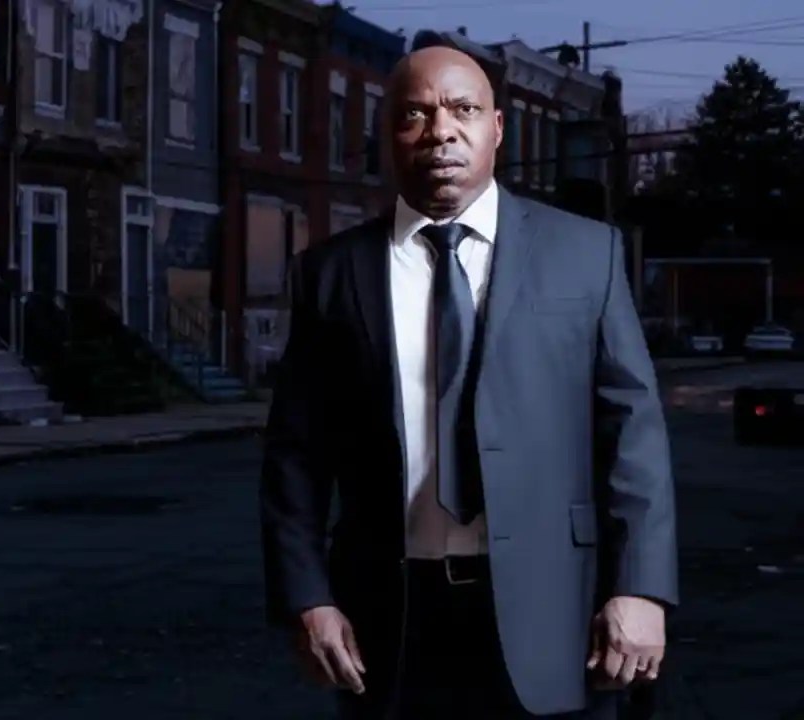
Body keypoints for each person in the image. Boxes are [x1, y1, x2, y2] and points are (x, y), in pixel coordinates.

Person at [258, 39, 679, 719]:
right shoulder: (330, 274)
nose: (441, 130)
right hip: (389, 624)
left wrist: (643, 590)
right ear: (387, 133)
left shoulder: (585, 254)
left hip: (564, 612)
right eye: (415, 114)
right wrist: (308, 598)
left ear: (497, 128)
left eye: (463, 109)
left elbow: (635, 434)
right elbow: (295, 456)